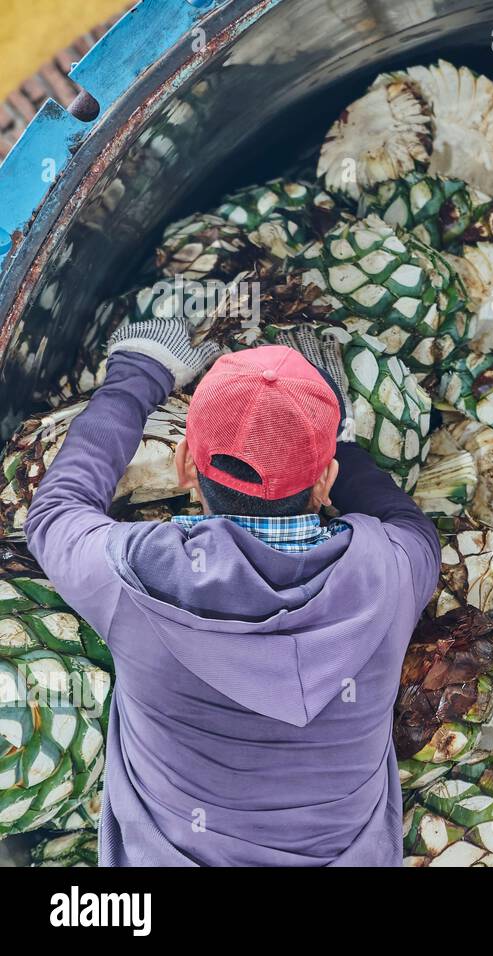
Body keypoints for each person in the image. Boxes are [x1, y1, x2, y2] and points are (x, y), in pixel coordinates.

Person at [24, 311, 440, 866]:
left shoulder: (134, 576)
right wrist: (330, 438)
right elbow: (410, 523)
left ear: (184, 466)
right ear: (327, 483)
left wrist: (142, 369)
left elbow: (54, 511)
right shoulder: (391, 571)